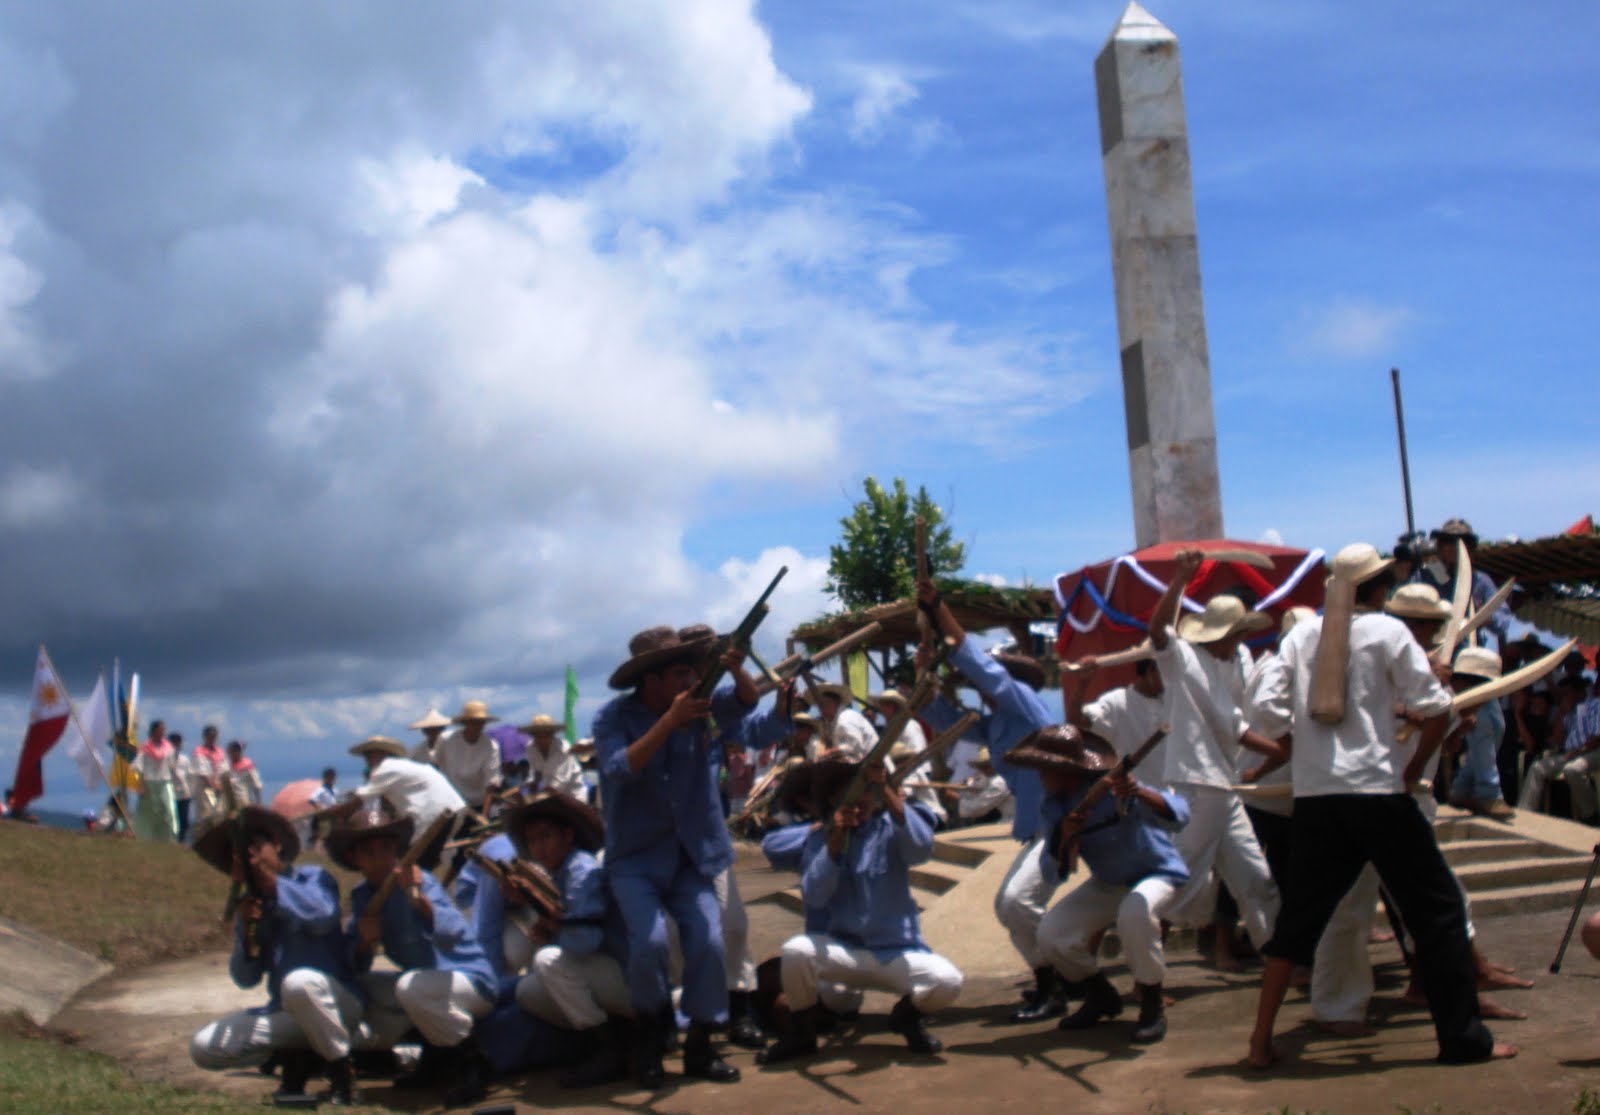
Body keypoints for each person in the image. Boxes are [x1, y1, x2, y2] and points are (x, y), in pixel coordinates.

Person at [1246, 542, 1513, 1068]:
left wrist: (1310, 733)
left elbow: (1265, 711)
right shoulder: (1389, 632)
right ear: (1379, 588)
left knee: (1298, 922)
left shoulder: (1301, 636)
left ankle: (1259, 1042)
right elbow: (1438, 706)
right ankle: (1462, 1041)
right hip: (1376, 793)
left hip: (1319, 797)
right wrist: (1411, 772)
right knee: (1439, 912)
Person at [594, 624, 765, 1086]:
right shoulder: (612, 719)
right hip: (635, 859)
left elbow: (747, 702)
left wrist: (737, 668)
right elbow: (618, 768)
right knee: (648, 944)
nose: (694, 678)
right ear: (652, 680)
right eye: (682, 672)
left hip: (692, 856)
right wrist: (669, 721)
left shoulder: (701, 705)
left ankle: (702, 1045)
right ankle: (651, 1033)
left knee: (709, 942)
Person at [916, 574, 1059, 1022]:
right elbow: (950, 720)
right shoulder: (997, 722)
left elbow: (984, 669)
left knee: (1017, 903)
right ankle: (1052, 980)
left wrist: (938, 610)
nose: (978, 682)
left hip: (1060, 822)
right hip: (1036, 826)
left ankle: (1068, 979)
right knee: (1010, 906)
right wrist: (926, 684)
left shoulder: (1022, 702)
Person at [756, 756, 962, 1065]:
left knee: (947, 981)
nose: (862, 799)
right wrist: (835, 842)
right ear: (833, 799)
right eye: (853, 791)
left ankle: (907, 1017)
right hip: (845, 953)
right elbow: (814, 895)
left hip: (896, 952)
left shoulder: (890, 831)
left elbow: (921, 848)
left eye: (868, 790)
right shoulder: (820, 838)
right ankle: (801, 1034)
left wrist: (890, 792)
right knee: (797, 951)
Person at [1144, 550, 1285, 956]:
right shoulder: (1183, 659)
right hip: (1194, 784)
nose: (1242, 639)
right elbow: (1157, 630)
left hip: (1223, 788)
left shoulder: (1229, 665)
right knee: (1176, 879)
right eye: (1238, 632)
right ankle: (1146, 973)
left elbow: (1236, 727)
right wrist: (1180, 581)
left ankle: (1276, 957)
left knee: (1256, 879)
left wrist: (1280, 750)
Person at [1016, 726, 1189, 1044]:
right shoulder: (1054, 806)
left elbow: (1180, 815)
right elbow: (1053, 871)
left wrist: (1138, 793)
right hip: (1109, 883)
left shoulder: (1116, 785)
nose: (1041, 775)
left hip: (1157, 874)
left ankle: (1151, 1007)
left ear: (1064, 770)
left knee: (1134, 913)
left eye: (1046, 768)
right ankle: (1100, 995)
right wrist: (1067, 833)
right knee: (1051, 934)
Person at [188, 806, 361, 1105]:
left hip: (339, 1000)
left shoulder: (313, 878)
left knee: (299, 983)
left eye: (256, 849)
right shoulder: (251, 905)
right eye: (244, 855)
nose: (252, 859)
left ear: (277, 846)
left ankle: (341, 1069)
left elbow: (323, 915)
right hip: (288, 1010)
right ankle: (298, 1053)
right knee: (204, 1046)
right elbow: (245, 978)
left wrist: (272, 885)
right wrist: (247, 932)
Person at [336, 798, 498, 1108]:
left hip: (468, 979)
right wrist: (364, 942)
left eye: (385, 848)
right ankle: (432, 1052)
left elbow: (452, 935)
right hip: (426, 985)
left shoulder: (421, 882)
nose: (379, 858)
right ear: (354, 858)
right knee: (363, 987)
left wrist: (420, 900)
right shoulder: (362, 898)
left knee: (410, 987)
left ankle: (472, 1064)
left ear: (396, 849)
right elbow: (354, 962)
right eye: (368, 852)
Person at [506, 792, 634, 1089]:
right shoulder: (562, 873)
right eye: (533, 841)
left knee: (547, 961)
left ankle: (608, 1051)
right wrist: (549, 927)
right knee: (528, 990)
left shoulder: (581, 870)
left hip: (627, 976)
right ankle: (612, 1035)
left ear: (568, 834)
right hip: (608, 975)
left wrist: (554, 925)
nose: (539, 847)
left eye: (545, 837)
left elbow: (584, 942)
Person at [326, 737, 467, 870]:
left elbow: (357, 802)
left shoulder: (384, 769)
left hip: (432, 814)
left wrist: (338, 811)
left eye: (370, 755)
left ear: (383, 754)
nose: (368, 761)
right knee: (424, 862)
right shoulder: (405, 767)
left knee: (412, 864)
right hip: (454, 809)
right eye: (366, 756)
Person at [1417, 518, 1512, 647]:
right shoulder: (1425, 578)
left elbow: (1503, 620)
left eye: (1462, 543)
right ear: (1440, 546)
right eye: (1449, 542)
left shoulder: (1480, 581)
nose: (1454, 548)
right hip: (1432, 651)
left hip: (1468, 654)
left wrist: (1485, 616)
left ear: (1469, 548)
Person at [1518, 677, 1600, 820]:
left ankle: (1591, 815)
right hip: (1570, 753)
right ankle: (1525, 813)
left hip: (1591, 751)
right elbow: (1557, 740)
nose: (1563, 698)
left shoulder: (1595, 706)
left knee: (1572, 769)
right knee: (1537, 768)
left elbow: (1596, 738)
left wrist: (1578, 752)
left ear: (1579, 693)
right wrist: (1562, 714)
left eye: (1567, 694)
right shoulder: (1569, 713)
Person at [1448, 649, 1515, 819]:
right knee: (1483, 727)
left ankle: (1463, 788)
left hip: (1480, 690)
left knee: (1497, 725)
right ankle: (1489, 794)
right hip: (1468, 693)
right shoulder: (1450, 685)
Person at [433, 701, 503, 812]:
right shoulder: (446, 740)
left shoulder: (491, 746)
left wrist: (484, 816)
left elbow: (491, 784)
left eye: (480, 722)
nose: (477, 726)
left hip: (478, 803)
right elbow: (436, 767)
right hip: (451, 803)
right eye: (473, 722)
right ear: (465, 723)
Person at [521, 713, 587, 799]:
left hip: (573, 794)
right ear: (533, 734)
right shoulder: (530, 748)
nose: (542, 738)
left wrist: (539, 797)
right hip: (551, 794)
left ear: (552, 734)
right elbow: (537, 771)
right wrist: (532, 784)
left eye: (546, 734)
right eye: (538, 734)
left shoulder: (563, 748)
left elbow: (560, 781)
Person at [134, 720, 181, 841]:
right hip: (149, 782)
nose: (162, 732)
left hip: (165, 782)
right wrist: (140, 785)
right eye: (160, 729)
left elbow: (172, 767)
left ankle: (170, 838)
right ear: (154, 731)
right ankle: (146, 838)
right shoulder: (145, 748)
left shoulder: (169, 747)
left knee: (169, 810)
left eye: (163, 730)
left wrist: (176, 783)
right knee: (149, 812)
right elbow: (138, 767)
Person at [816, 683, 878, 759]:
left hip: (874, 763)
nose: (820, 709)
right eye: (820, 705)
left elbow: (855, 746)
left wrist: (829, 752)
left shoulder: (846, 717)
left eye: (824, 704)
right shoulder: (832, 723)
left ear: (834, 703)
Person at [953, 748, 1012, 825]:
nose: (983, 770)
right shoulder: (1002, 776)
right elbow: (981, 784)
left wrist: (955, 799)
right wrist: (967, 785)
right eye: (981, 767)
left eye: (986, 766)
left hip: (1013, 821)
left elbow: (976, 809)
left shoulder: (1000, 782)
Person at [192, 726, 228, 823]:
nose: (212, 739)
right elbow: (202, 772)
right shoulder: (199, 751)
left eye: (214, 737)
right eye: (210, 736)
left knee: (219, 813)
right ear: (205, 737)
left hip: (219, 787)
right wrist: (213, 786)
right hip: (205, 787)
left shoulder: (220, 752)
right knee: (205, 813)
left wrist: (220, 786)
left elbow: (225, 770)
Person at [170, 733, 194, 843]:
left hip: (184, 793)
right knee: (172, 819)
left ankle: (181, 841)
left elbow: (190, 776)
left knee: (184, 820)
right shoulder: (165, 759)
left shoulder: (185, 759)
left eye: (177, 743)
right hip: (171, 793)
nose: (176, 745)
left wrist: (191, 791)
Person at [226, 741, 264, 806]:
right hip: (228, 800)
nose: (233, 754)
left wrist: (259, 802)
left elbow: (256, 785)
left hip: (243, 800)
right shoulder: (227, 766)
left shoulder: (248, 766)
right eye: (231, 751)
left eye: (236, 751)